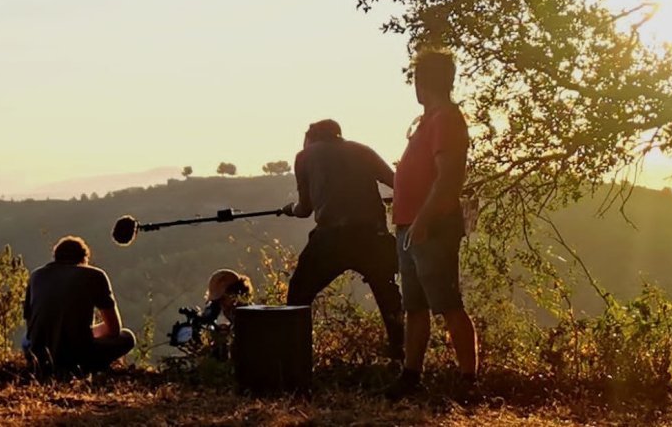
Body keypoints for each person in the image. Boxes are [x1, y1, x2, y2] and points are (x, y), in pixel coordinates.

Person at [386, 49, 479, 400]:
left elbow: (449, 176)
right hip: (411, 225)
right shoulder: (430, 120)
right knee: (415, 305)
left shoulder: (445, 120)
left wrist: (424, 219)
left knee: (447, 302)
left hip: (431, 226)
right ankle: (411, 376)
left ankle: (469, 380)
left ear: (421, 83)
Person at [280, 119, 404, 363]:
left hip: (331, 238)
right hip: (372, 236)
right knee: (388, 295)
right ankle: (401, 356)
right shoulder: (362, 150)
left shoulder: (304, 156)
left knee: (298, 295)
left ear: (310, 138)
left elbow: (305, 208)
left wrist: (290, 209)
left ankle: (297, 358)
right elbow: (397, 183)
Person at [22, 236, 136, 374]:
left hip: (39, 355)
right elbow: (113, 329)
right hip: (78, 356)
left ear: (55, 257)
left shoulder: (36, 276)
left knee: (25, 339)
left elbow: (30, 327)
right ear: (84, 258)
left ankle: (45, 363)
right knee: (127, 337)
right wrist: (86, 333)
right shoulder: (95, 275)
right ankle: (88, 366)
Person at [202, 269, 253, 360]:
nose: (223, 306)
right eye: (219, 302)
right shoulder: (230, 318)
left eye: (224, 299)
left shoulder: (251, 318)